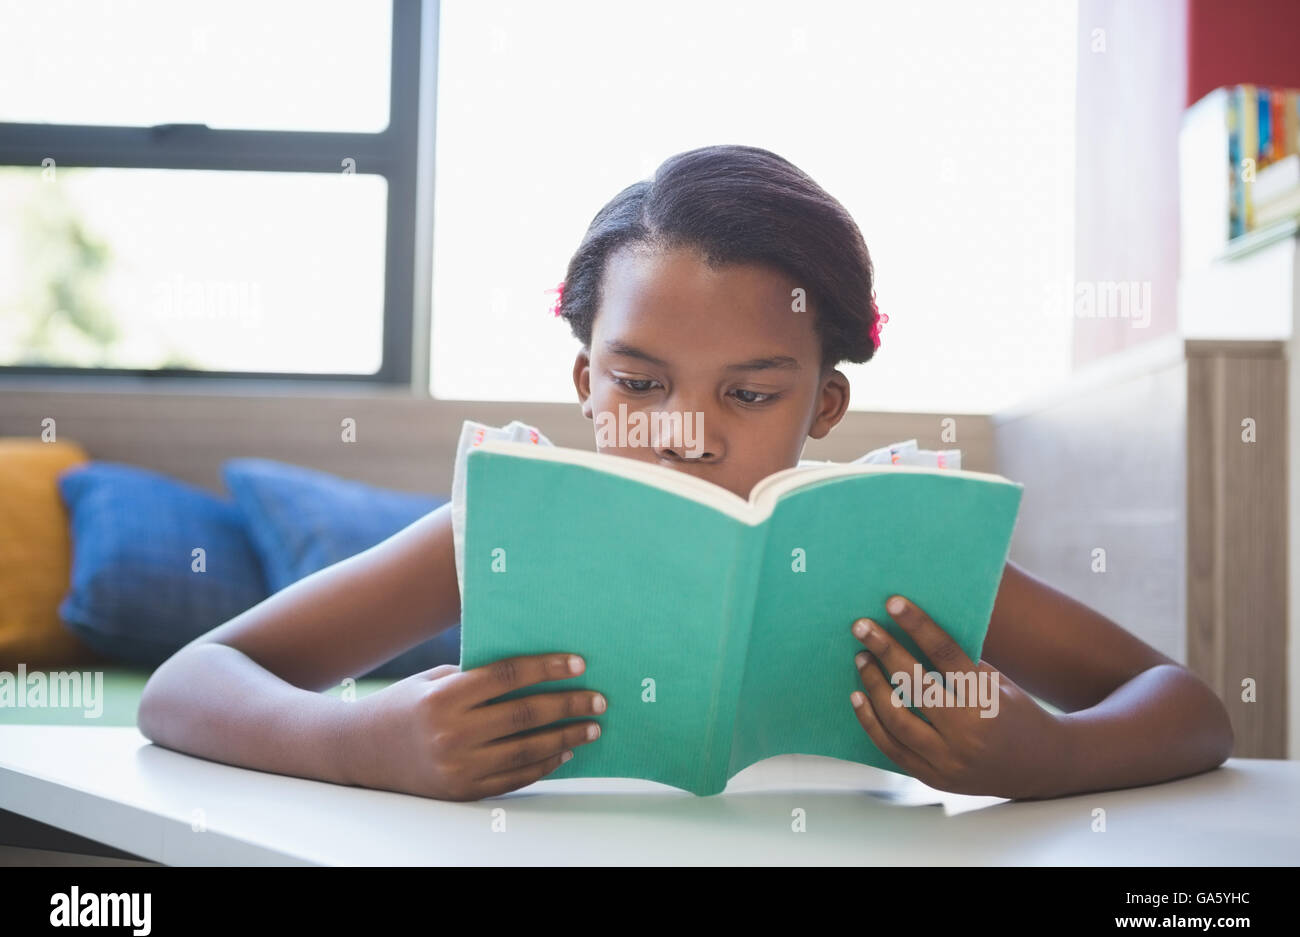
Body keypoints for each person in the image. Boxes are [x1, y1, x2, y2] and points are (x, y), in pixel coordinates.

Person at [138, 144, 1234, 802]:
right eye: (639, 383)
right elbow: (188, 682)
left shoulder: (898, 547)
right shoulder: (503, 524)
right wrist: (359, 739)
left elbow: (1188, 709)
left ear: (825, 401)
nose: (683, 432)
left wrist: (1052, 753)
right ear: (583, 377)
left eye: (751, 394)